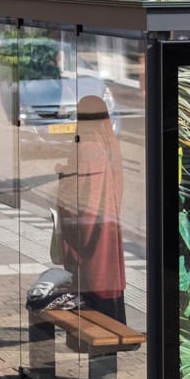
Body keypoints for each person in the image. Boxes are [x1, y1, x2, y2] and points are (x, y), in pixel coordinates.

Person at [54, 95, 126, 323]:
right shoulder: (108, 145)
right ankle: (113, 331)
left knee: (93, 280)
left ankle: (99, 340)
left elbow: (80, 194)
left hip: (92, 231)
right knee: (107, 280)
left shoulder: (86, 147)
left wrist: (63, 176)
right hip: (108, 225)